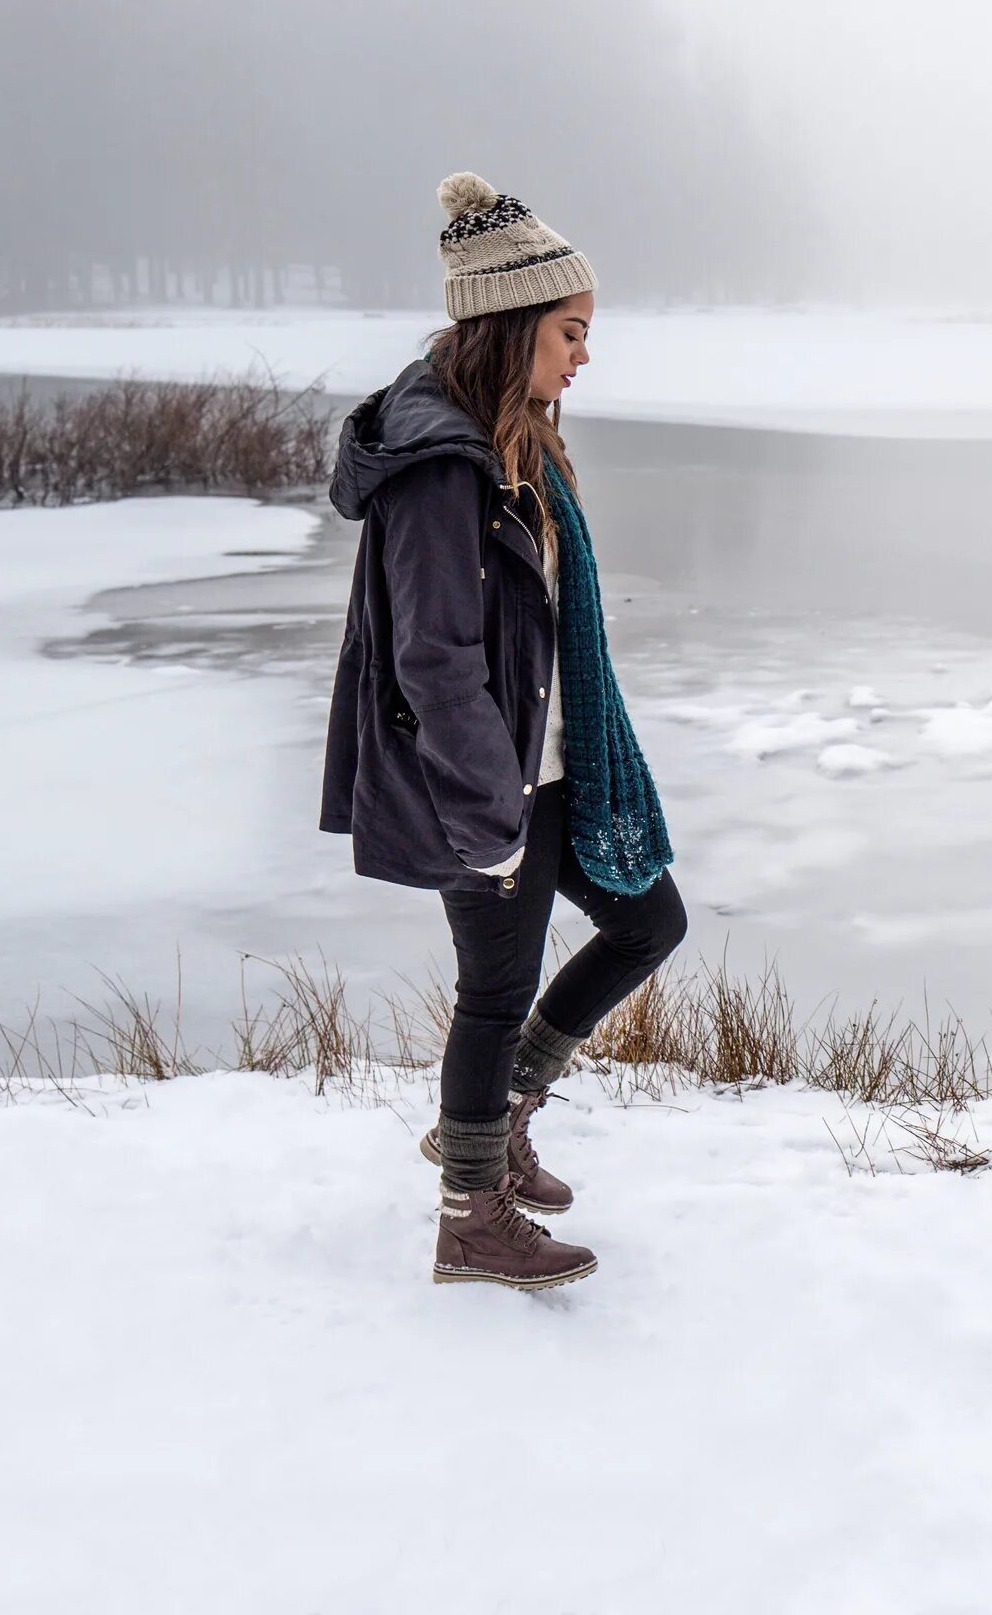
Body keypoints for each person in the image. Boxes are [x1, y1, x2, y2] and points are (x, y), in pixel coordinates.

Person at [320, 172, 686, 1291]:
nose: (583, 355)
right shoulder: (444, 465)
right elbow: (435, 657)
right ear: (515, 322)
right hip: (486, 785)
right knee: (496, 986)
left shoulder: (510, 438)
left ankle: (496, 1121)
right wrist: (491, 812)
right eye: (571, 332)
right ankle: (470, 1213)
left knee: (647, 921)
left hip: (550, 764)